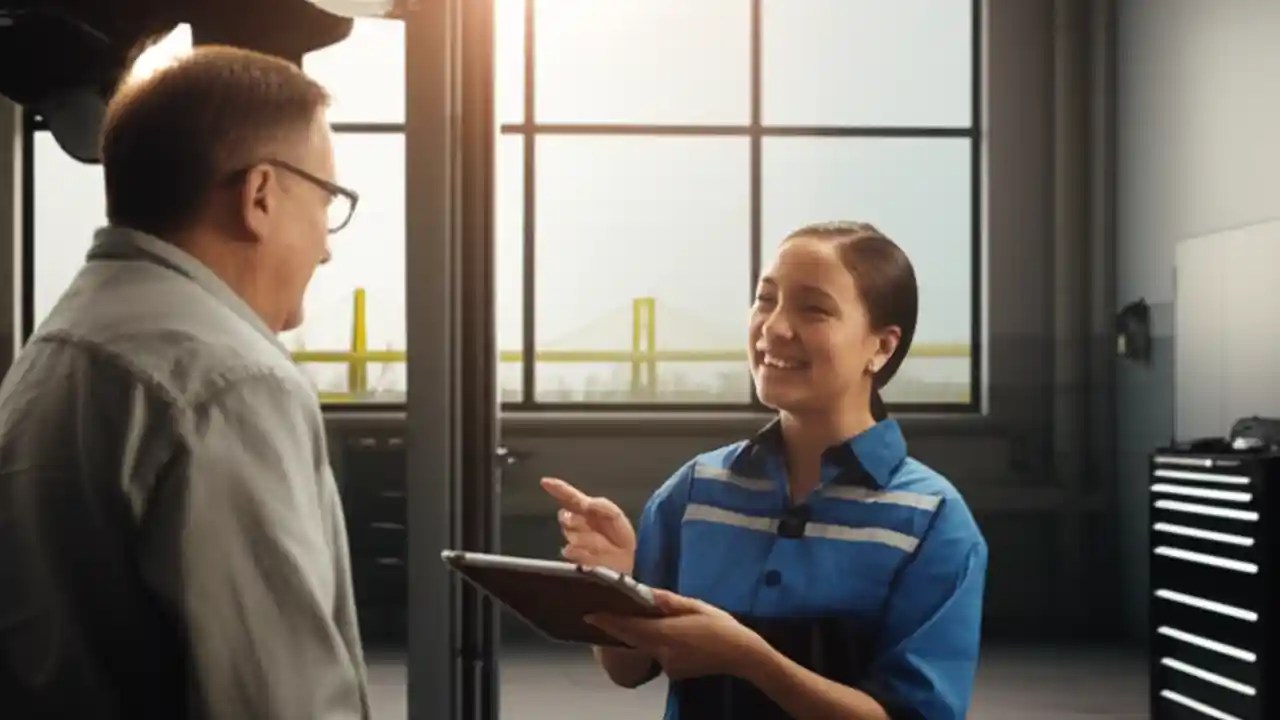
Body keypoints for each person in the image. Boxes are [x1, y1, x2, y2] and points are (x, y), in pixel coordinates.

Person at [0, 46, 369, 718]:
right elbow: (275, 700)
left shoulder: (63, 346)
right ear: (260, 195)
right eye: (327, 201)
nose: (325, 245)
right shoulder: (226, 384)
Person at [542, 221, 987, 720]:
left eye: (813, 308)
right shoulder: (694, 491)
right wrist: (613, 578)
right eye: (765, 299)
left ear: (880, 348)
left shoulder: (932, 521)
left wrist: (751, 659)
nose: (773, 327)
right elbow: (629, 670)